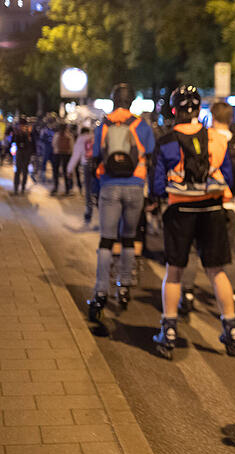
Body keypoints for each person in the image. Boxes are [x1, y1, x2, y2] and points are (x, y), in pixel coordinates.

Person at [149, 84, 235, 360]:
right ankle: (231, 328)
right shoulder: (217, 138)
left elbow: (156, 184)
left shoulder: (165, 141)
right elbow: (230, 177)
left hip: (180, 212)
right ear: (198, 108)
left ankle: (168, 329)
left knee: (175, 271)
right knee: (217, 270)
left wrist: (157, 199)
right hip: (212, 210)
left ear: (175, 110)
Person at [86, 84, 155, 322]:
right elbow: (151, 157)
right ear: (131, 101)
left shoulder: (103, 125)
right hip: (135, 186)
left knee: (106, 240)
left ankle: (100, 293)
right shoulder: (141, 125)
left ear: (114, 100)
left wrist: (94, 191)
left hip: (109, 185)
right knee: (129, 238)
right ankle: (124, 286)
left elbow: (95, 157)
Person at [179, 102, 235, 314]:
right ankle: (234, 293)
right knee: (226, 253)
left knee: (193, 250)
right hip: (230, 205)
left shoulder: (204, 139)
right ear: (231, 118)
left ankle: (187, 293)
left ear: (212, 116)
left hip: (203, 204)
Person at [11, 118, 35, 195]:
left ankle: (23, 188)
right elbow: (13, 142)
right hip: (19, 153)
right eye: (20, 125)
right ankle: (16, 188)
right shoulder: (16, 132)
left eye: (23, 125)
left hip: (26, 153)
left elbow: (31, 143)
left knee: (25, 171)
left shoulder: (29, 133)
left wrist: (27, 135)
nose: (21, 127)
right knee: (17, 171)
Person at [51, 123, 75, 195]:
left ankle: (55, 187)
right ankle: (67, 189)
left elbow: (53, 144)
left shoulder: (56, 135)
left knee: (56, 171)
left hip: (57, 154)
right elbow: (72, 145)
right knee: (66, 172)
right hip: (66, 154)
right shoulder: (69, 135)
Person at [68, 127, 92, 196]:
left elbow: (75, 156)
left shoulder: (81, 139)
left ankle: (89, 205)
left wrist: (69, 169)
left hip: (86, 162)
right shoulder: (94, 137)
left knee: (88, 186)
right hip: (97, 163)